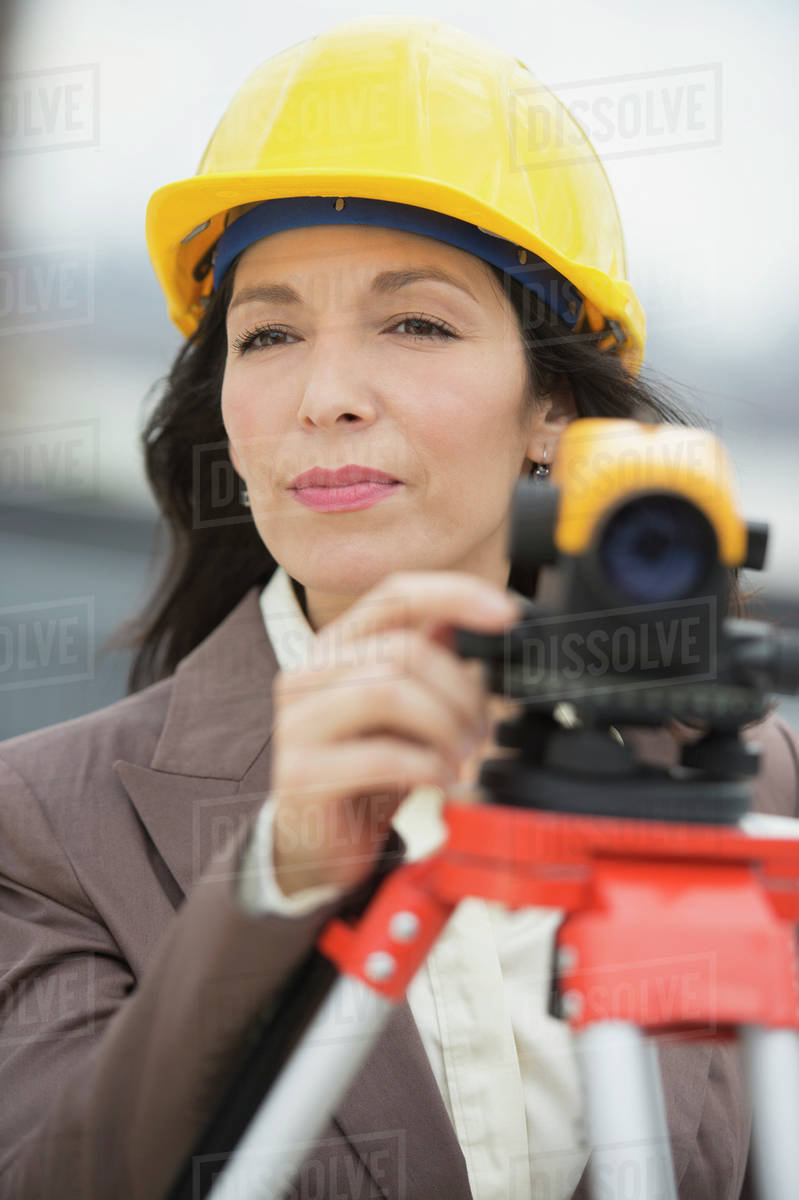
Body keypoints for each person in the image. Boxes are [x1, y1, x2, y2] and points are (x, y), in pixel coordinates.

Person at [1, 16, 797, 1200]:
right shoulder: (45, 826)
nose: (324, 396)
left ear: (550, 411)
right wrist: (273, 883)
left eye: (415, 322)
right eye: (266, 334)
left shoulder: (742, 780)